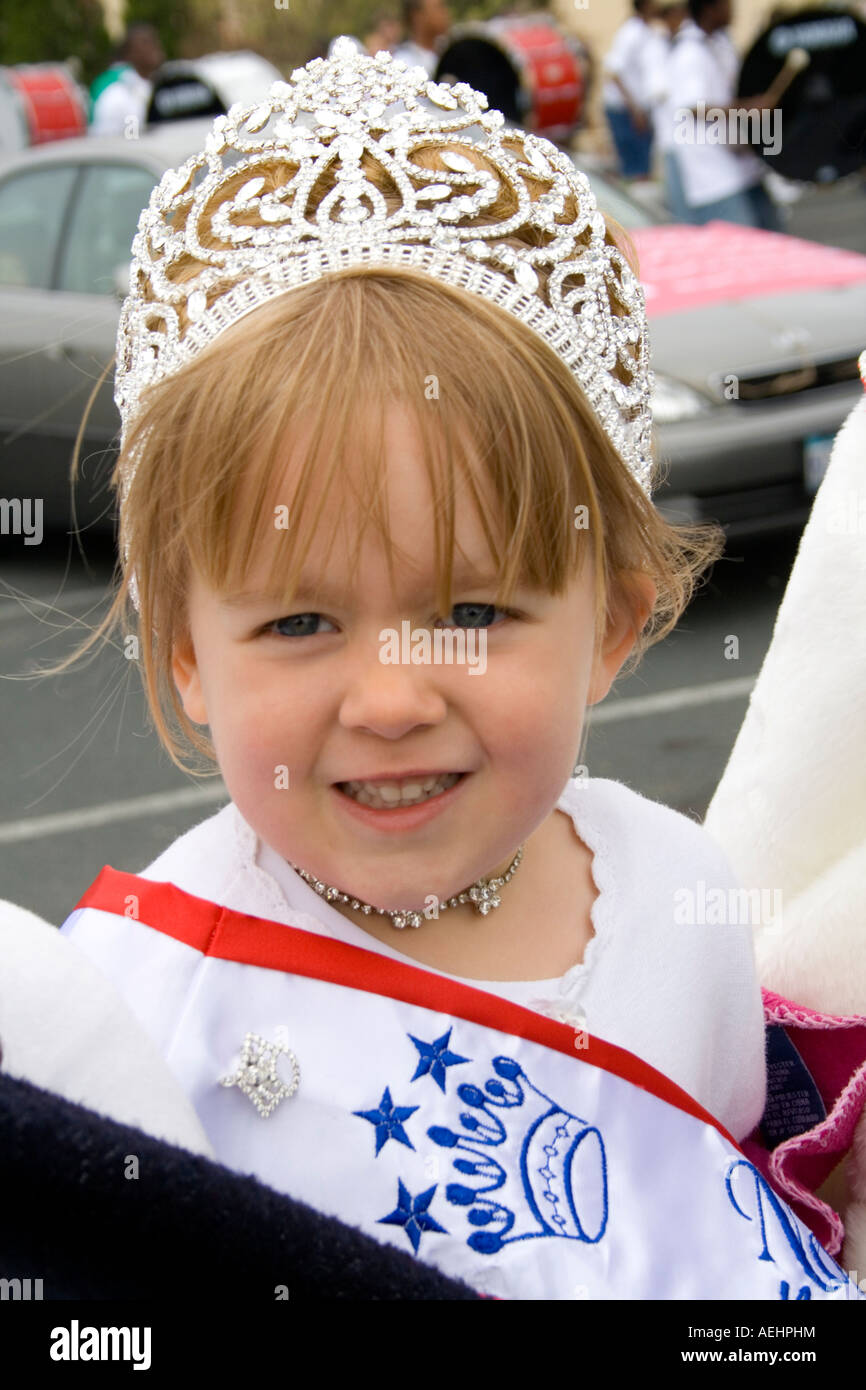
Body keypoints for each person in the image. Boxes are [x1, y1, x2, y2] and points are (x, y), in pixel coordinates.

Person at [46, 39, 861, 1299]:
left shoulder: (682, 900)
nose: (390, 699)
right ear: (183, 657)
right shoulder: (125, 1008)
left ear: (611, 622)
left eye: (472, 609)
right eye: (299, 624)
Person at [665, 0, 782, 228]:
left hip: (743, 168)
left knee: (774, 236)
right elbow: (694, 107)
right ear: (710, 8)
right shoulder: (689, 52)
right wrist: (749, 108)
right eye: (727, 4)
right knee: (745, 250)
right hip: (715, 178)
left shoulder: (719, 44)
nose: (733, 10)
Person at [642, 1, 691, 219]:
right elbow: (658, 89)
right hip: (671, 137)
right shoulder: (655, 46)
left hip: (688, 138)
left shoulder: (679, 45)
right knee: (682, 205)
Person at [602, 0, 659, 181]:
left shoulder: (647, 31)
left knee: (644, 167)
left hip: (637, 110)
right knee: (636, 172)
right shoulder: (630, 32)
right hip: (625, 109)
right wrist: (635, 110)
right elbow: (614, 72)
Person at [88, 23, 164, 138]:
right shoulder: (116, 95)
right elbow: (104, 144)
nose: (155, 46)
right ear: (129, 53)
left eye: (155, 40)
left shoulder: (160, 86)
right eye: (145, 42)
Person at [392, 0, 452, 75]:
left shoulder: (448, 52)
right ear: (417, 16)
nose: (445, 13)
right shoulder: (403, 63)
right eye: (439, 7)